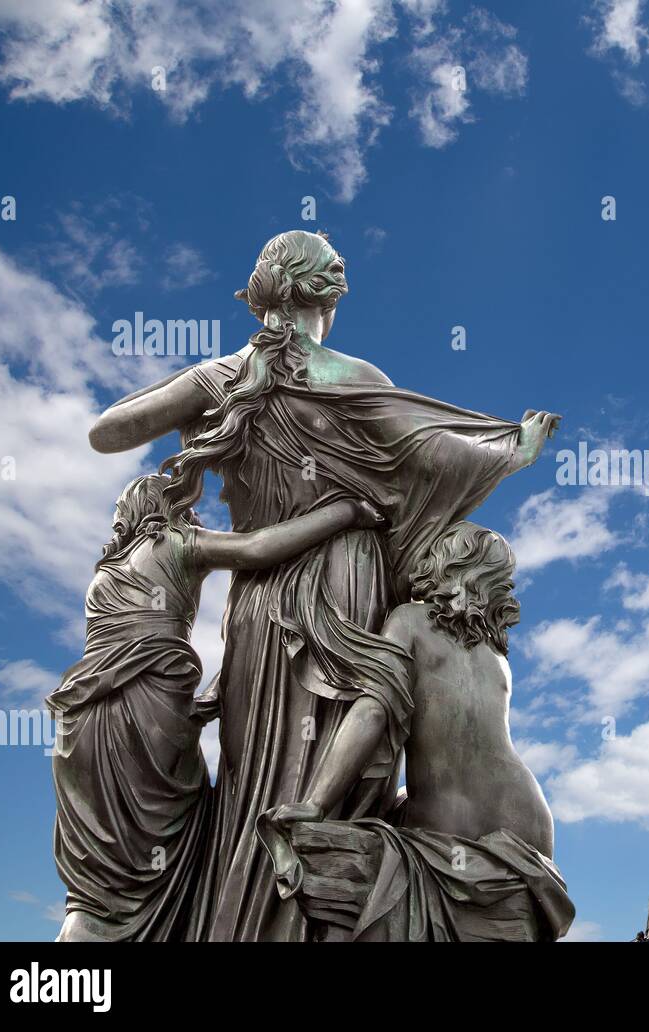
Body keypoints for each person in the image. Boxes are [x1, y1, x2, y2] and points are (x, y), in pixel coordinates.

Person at [88, 230, 558, 940]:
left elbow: (108, 431)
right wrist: (510, 448)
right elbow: (438, 455)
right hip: (349, 587)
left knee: (256, 781)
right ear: (327, 297)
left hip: (262, 597)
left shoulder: (223, 379)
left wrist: (211, 382)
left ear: (263, 295)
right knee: (349, 780)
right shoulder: (356, 378)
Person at [49, 472, 384, 941]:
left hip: (81, 724)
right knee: (160, 853)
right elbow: (257, 548)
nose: (199, 511)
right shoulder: (174, 542)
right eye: (188, 504)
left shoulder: (106, 571)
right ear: (167, 509)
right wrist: (345, 512)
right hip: (142, 724)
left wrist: (208, 700)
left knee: (103, 884)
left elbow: (131, 646)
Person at [259, 522, 573, 941]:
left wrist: (316, 802)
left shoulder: (410, 620)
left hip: (451, 828)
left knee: (351, 897)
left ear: (447, 562)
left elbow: (373, 712)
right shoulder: (496, 652)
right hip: (530, 831)